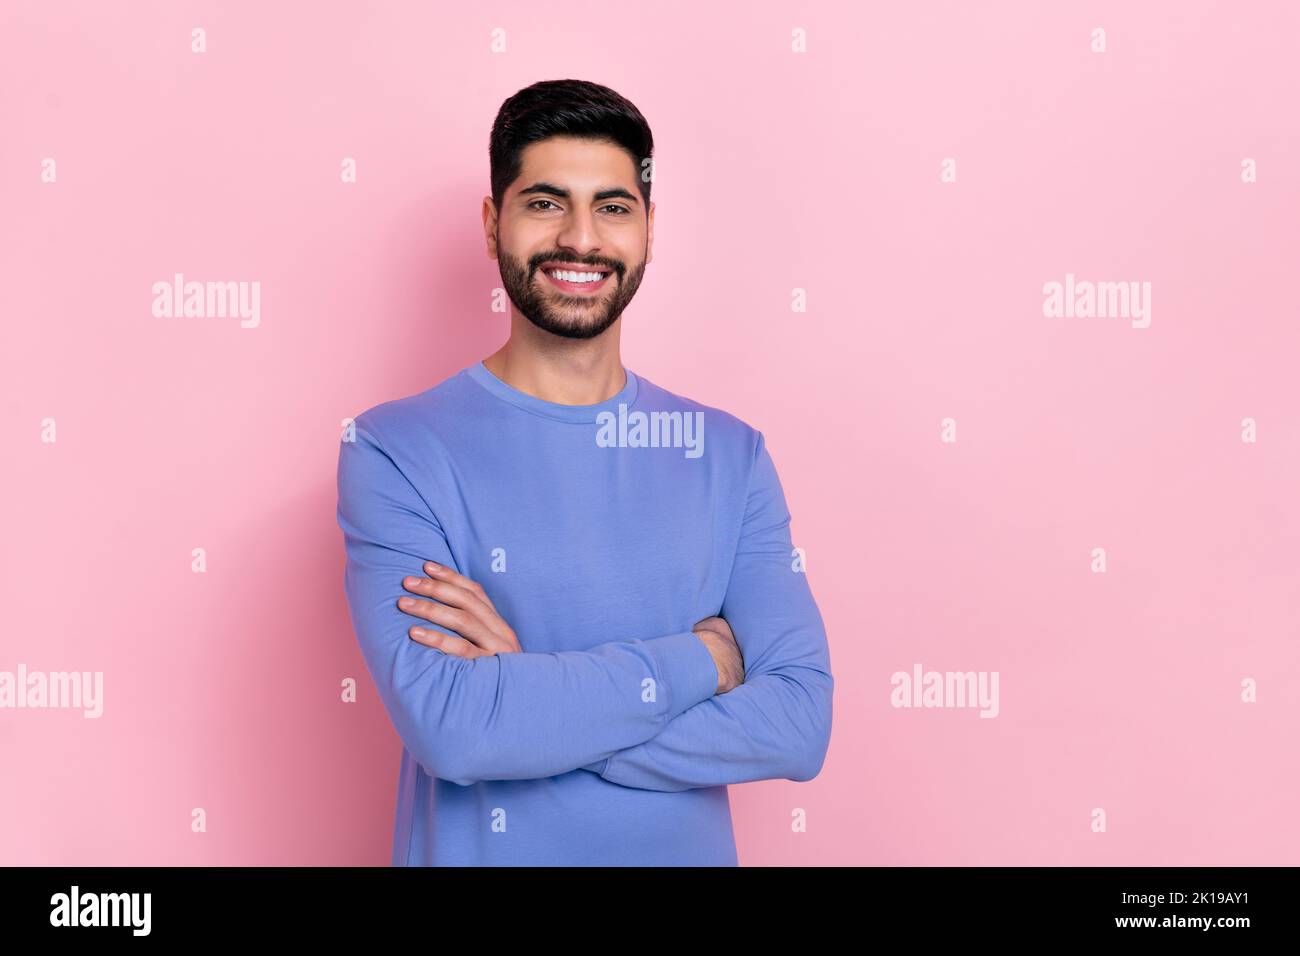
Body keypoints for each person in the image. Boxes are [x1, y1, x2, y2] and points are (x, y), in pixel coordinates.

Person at [335, 78, 833, 866]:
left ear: (647, 228)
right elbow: (455, 731)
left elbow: (799, 724)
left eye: (612, 206)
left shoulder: (729, 457)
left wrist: (525, 698)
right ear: (494, 220)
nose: (581, 238)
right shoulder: (396, 450)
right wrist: (702, 662)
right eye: (544, 203)